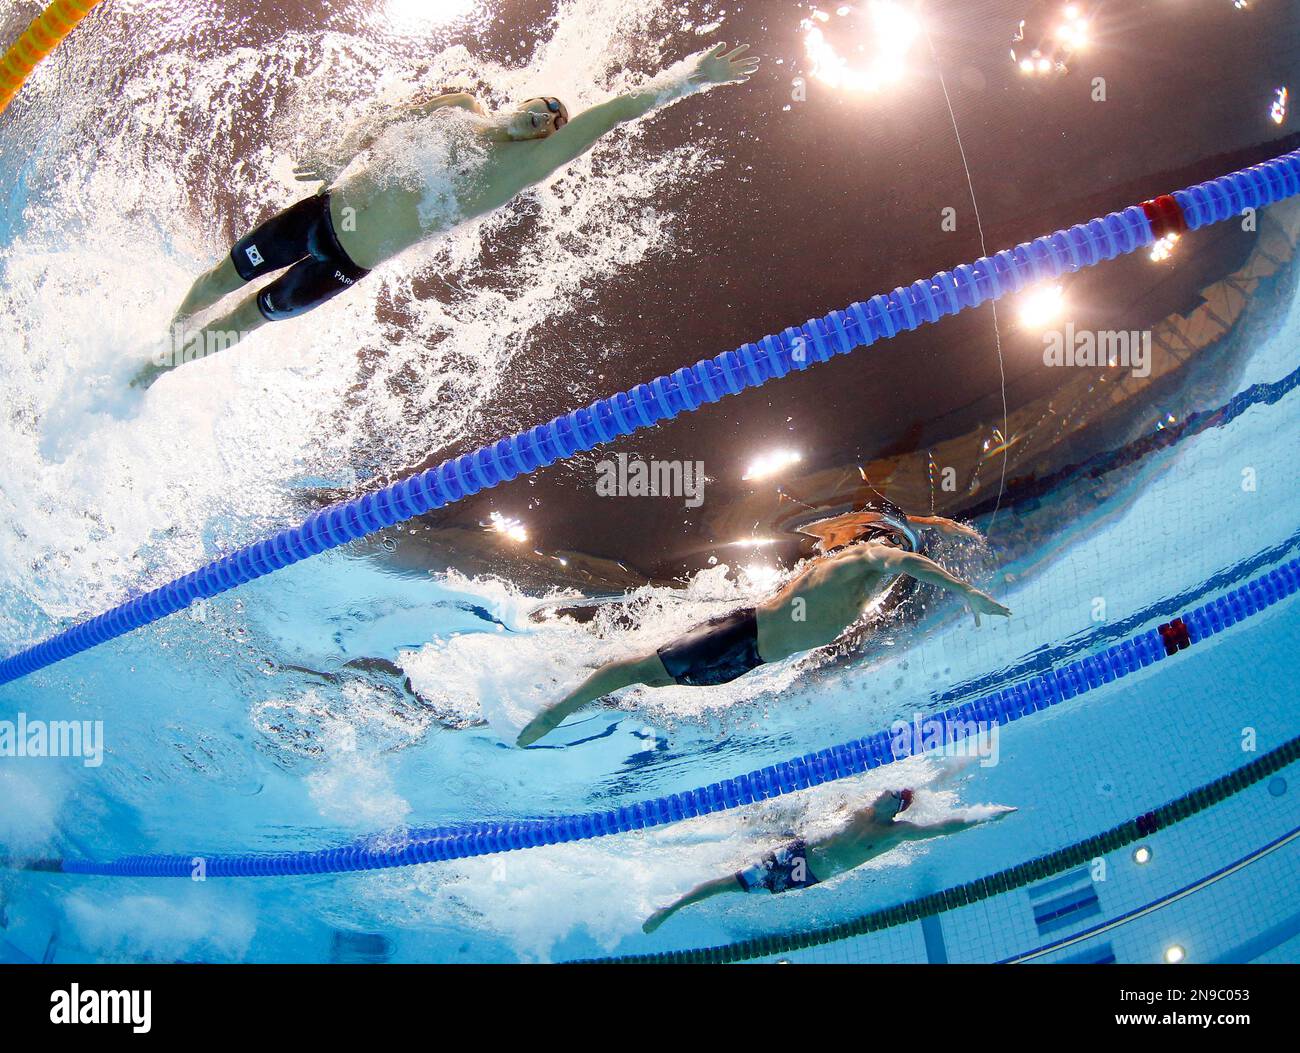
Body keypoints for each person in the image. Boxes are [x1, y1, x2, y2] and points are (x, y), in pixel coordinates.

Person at [136, 43, 759, 387]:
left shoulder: (518, 169)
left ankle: (155, 372)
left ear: (548, 141)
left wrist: (693, 79)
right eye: (545, 105)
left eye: (554, 123)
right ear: (525, 99)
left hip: (342, 265)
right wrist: (337, 156)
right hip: (317, 213)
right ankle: (168, 331)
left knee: (247, 317)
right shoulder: (460, 107)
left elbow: (614, 113)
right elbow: (390, 122)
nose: (546, 118)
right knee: (220, 278)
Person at [515, 502, 1010, 746]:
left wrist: (936, 525)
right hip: (738, 638)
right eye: (895, 541)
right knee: (635, 671)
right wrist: (966, 591)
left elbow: (900, 541)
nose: (896, 553)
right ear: (879, 539)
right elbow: (904, 560)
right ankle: (556, 711)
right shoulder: (864, 558)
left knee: (647, 680)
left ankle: (562, 682)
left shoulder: (864, 576)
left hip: (747, 659)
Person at [642, 788, 1016, 933]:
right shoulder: (858, 808)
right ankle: (671, 907)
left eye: (889, 794)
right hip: (795, 851)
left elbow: (944, 827)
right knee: (729, 880)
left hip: (806, 875)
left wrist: (985, 813)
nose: (881, 792)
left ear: (896, 808)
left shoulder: (896, 833)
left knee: (732, 886)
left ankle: (673, 905)